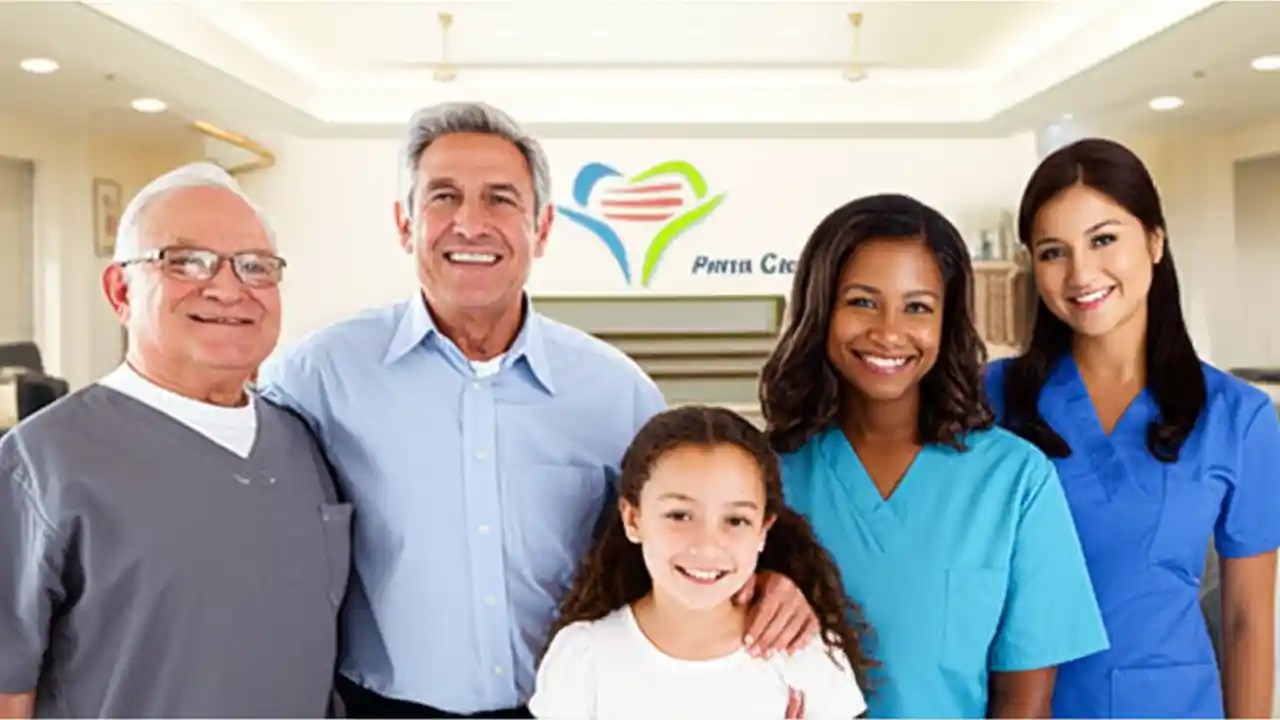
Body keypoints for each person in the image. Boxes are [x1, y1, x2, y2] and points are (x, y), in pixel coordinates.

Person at [257, 101, 819, 719]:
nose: (470, 223)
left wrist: (767, 583)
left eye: (500, 199)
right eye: (443, 197)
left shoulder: (616, 392)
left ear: (542, 228)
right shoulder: (319, 374)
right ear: (404, 223)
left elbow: (689, 530)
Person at [0, 162, 350, 718]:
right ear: (120, 289)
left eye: (256, 267)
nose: (229, 289)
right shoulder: (44, 461)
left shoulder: (302, 441)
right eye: (187, 262)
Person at [759, 193, 1110, 718]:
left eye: (918, 307)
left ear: (948, 323)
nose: (889, 331)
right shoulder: (762, 476)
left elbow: (1025, 700)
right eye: (861, 301)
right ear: (820, 307)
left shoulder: (1014, 479)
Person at [986, 138, 1280, 718]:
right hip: (1025, 703)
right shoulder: (992, 399)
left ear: (1154, 240)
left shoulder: (1239, 417)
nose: (1080, 273)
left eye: (1103, 239)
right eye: (1052, 252)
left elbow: (1247, 620)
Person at [529, 405, 871, 719]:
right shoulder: (585, 658)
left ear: (763, 531)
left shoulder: (803, 655)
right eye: (679, 515)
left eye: (735, 520)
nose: (707, 545)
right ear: (633, 519)